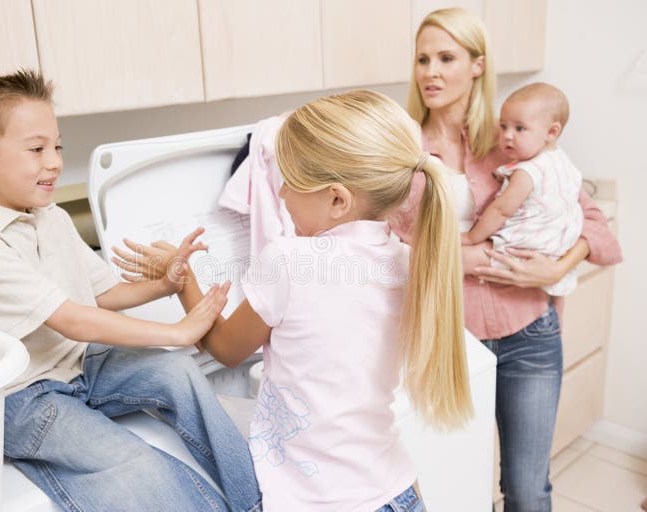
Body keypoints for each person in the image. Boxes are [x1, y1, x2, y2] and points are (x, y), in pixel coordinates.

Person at [115, 89, 470, 511]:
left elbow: (226, 349)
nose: (281, 195)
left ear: (337, 199)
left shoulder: (288, 260)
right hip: (396, 490)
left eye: (291, 183)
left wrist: (183, 279)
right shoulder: (411, 262)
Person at [0, 69, 262, 512]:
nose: (54, 161)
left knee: (178, 372)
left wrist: (166, 283)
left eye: (57, 146)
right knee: (137, 466)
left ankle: (261, 502)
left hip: (81, 363)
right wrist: (178, 331)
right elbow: (71, 318)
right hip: (21, 398)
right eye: (36, 149)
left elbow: (101, 297)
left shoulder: (50, 217)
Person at [400, 8, 622, 512]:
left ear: (478, 65)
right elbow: (393, 246)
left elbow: (595, 227)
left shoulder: (515, 138)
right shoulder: (406, 149)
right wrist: (474, 258)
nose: (430, 71)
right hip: (450, 343)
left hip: (530, 335)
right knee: (451, 484)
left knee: (526, 490)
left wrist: (559, 268)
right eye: (422, 59)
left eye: (446, 58)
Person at [461, 82, 583, 296]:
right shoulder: (561, 161)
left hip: (524, 253)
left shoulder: (527, 172)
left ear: (551, 132)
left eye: (519, 128)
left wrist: (472, 238)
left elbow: (501, 210)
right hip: (555, 247)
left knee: (458, 258)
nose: (508, 135)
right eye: (503, 126)